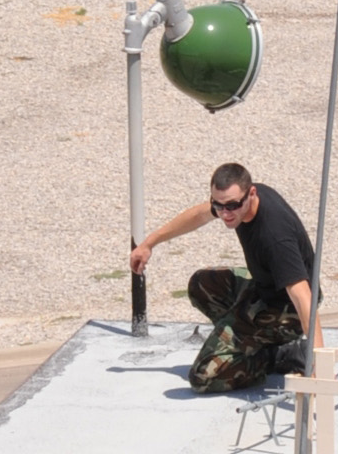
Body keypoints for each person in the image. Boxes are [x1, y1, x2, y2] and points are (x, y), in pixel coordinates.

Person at [129, 163, 324, 393]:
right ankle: (242, 338)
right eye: (218, 205)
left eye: (231, 206)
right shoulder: (236, 202)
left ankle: (278, 355)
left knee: (203, 377)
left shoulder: (275, 237)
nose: (225, 214)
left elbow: (304, 298)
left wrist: (317, 365)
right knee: (202, 285)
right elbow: (199, 214)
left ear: (251, 194)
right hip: (264, 289)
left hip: (286, 310)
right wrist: (149, 243)